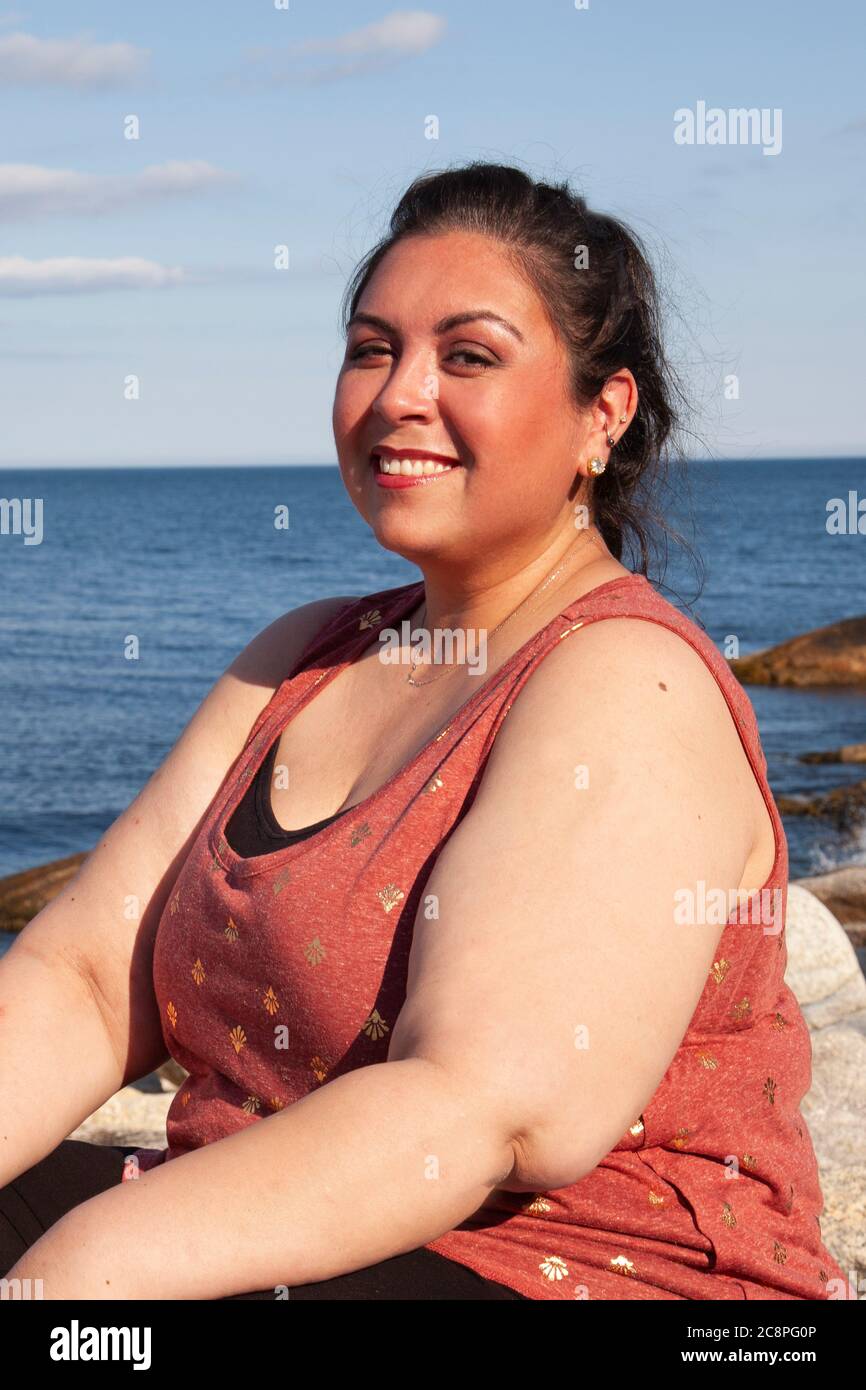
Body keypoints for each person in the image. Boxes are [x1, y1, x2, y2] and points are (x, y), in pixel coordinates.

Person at [0, 162, 847, 1301]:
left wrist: (71, 1287)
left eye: (467, 356)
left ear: (604, 415)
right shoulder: (301, 659)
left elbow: (479, 1106)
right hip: (312, 1231)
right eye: (370, 349)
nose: (400, 394)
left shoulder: (624, 682)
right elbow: (92, 981)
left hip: (571, 1273)